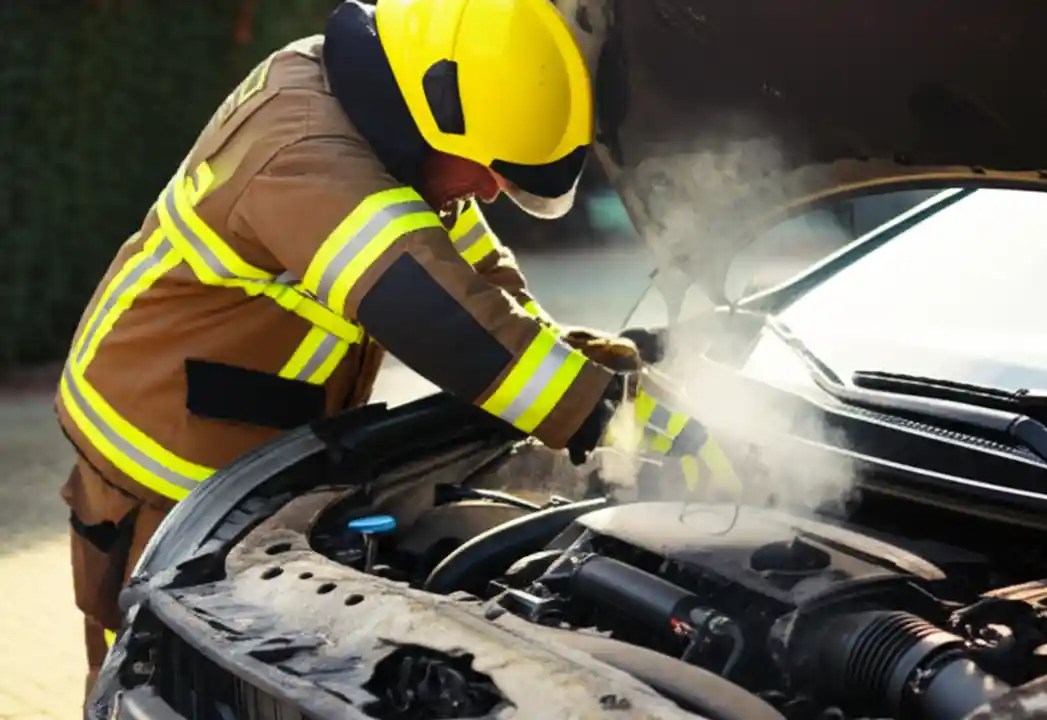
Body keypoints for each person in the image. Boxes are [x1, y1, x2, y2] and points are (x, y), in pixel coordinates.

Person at [55, 0, 739, 698]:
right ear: (431, 108)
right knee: (162, 680)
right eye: (485, 167)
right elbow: (436, 316)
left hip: (248, 447)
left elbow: (473, 280)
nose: (489, 189)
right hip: (155, 459)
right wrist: (608, 415)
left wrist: (567, 355)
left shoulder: (384, 123)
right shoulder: (305, 153)